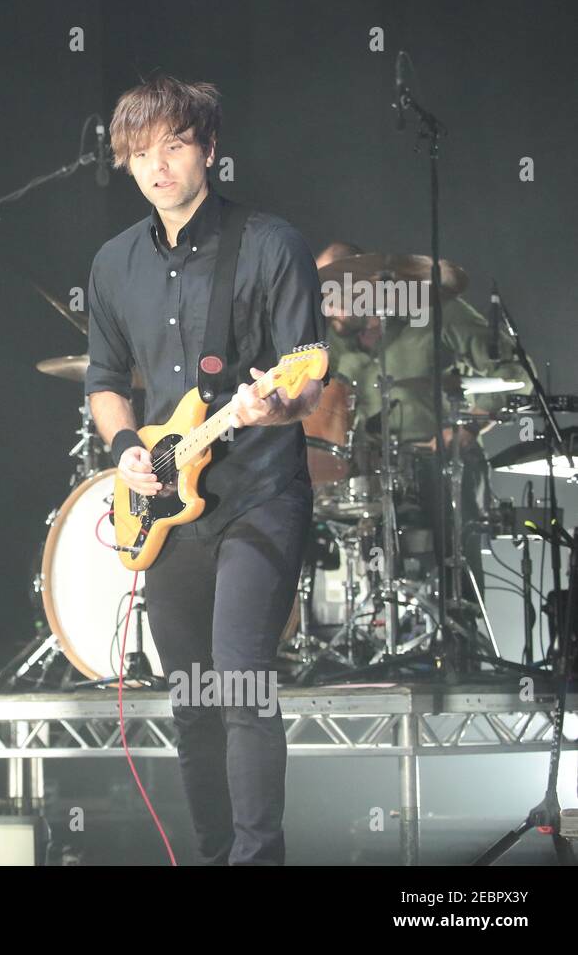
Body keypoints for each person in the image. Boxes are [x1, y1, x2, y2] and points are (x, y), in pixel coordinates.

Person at [84, 74, 326, 864]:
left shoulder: (270, 242)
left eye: (175, 146)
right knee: (192, 702)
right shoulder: (113, 264)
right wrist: (127, 453)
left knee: (241, 684)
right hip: (166, 507)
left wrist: (277, 406)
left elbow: (308, 370)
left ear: (210, 151)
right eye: (140, 152)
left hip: (259, 491)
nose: (157, 165)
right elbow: (105, 384)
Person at [315, 241, 534, 597]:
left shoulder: (437, 311)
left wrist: (466, 428)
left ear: (366, 284)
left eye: (333, 292)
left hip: (443, 466)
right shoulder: (331, 340)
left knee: (455, 588)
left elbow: (518, 376)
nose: (327, 307)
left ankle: (462, 644)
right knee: (373, 591)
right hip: (367, 479)